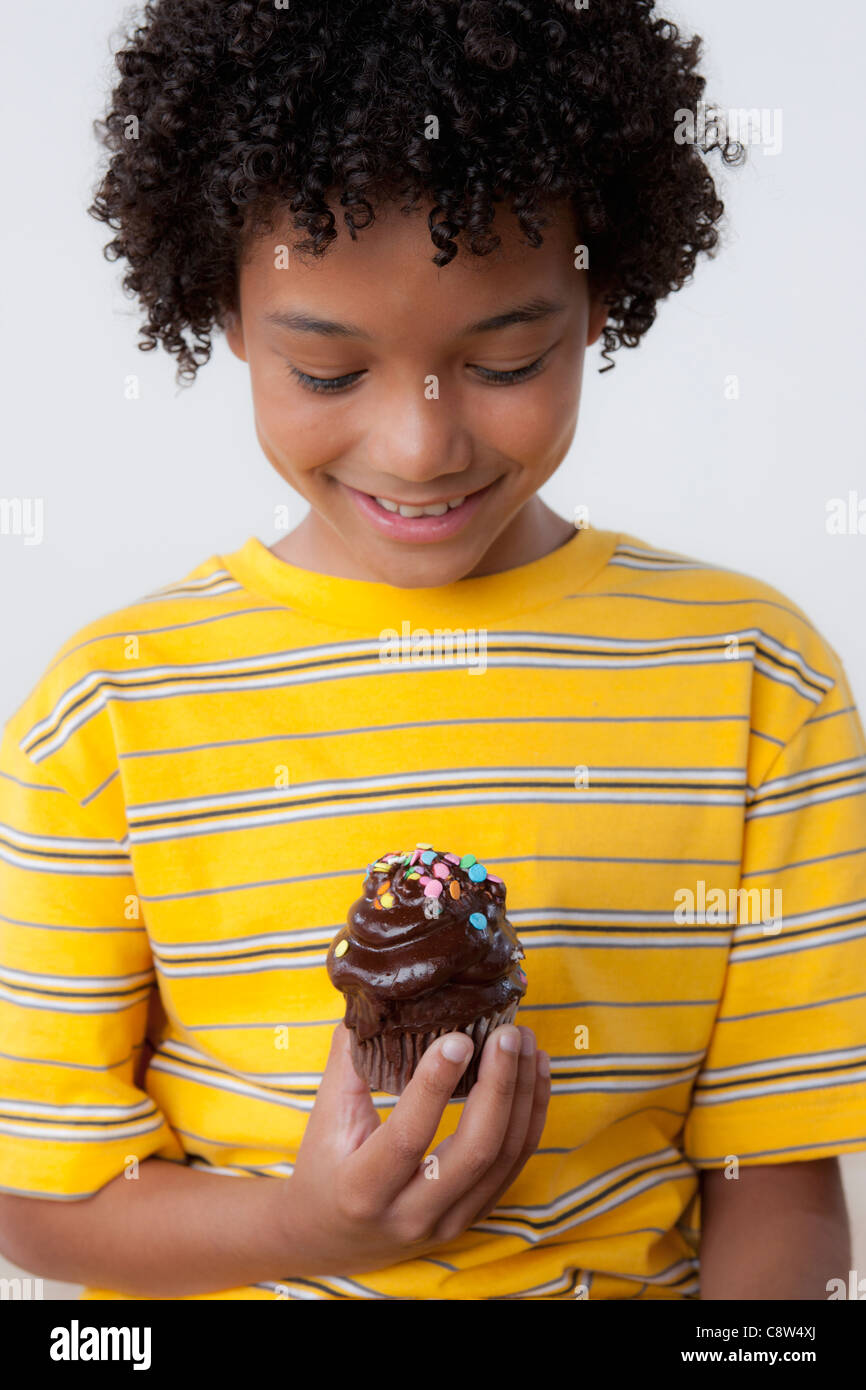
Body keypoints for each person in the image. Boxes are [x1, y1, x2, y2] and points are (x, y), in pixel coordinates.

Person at [0, 0, 862, 1301]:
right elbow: (41, 1197)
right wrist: (301, 1234)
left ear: (599, 292)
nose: (420, 448)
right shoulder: (110, 711)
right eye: (328, 372)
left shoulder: (756, 681)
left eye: (506, 355)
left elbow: (780, 1200)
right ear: (223, 312)